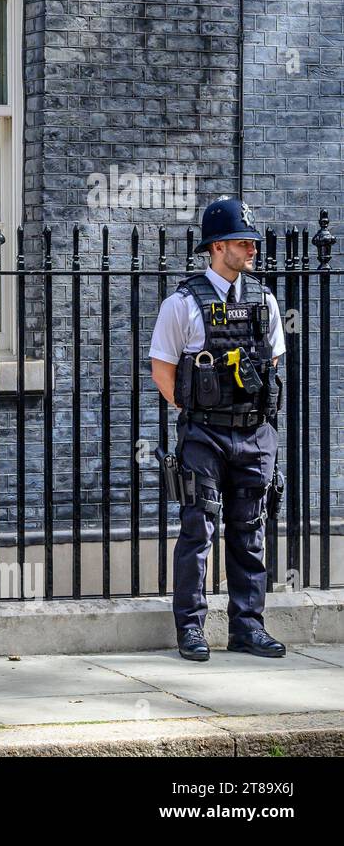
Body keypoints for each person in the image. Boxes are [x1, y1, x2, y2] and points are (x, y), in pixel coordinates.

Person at [149, 197, 287, 662]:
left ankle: (248, 627)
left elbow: (270, 364)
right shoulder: (182, 304)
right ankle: (191, 628)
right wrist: (195, 410)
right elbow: (162, 370)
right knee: (198, 531)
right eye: (243, 241)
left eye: (252, 241)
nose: (252, 248)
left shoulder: (264, 300)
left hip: (254, 434)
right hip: (204, 435)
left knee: (250, 532)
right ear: (218, 246)